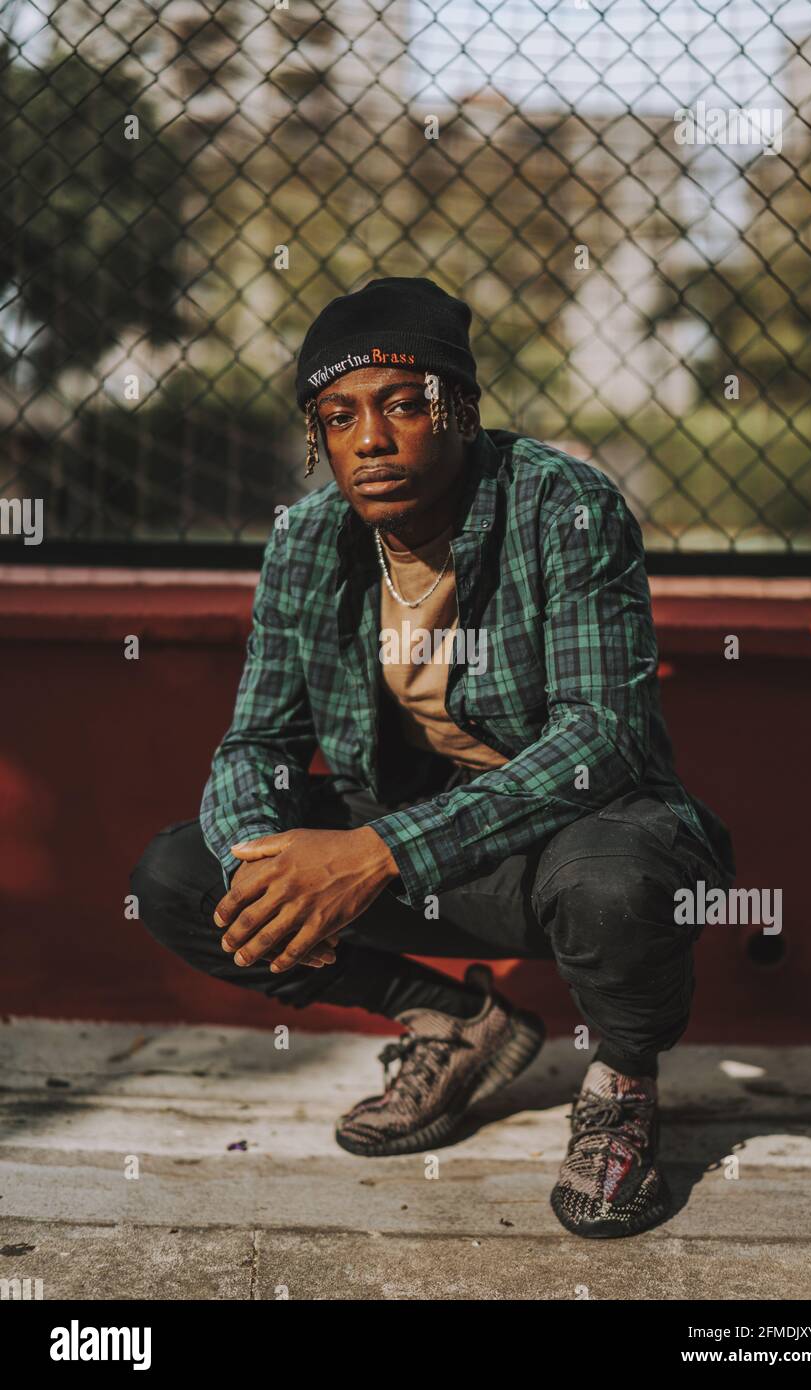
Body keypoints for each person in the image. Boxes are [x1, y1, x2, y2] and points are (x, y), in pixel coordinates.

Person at [131, 276, 735, 1238]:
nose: (368, 439)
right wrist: (266, 864)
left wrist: (378, 855)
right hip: (416, 835)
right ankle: (455, 1026)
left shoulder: (564, 506)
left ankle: (621, 1080)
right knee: (178, 875)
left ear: (461, 408)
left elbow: (601, 737)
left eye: (401, 405)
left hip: (566, 837)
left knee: (614, 885)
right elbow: (258, 741)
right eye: (337, 417)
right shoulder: (305, 540)